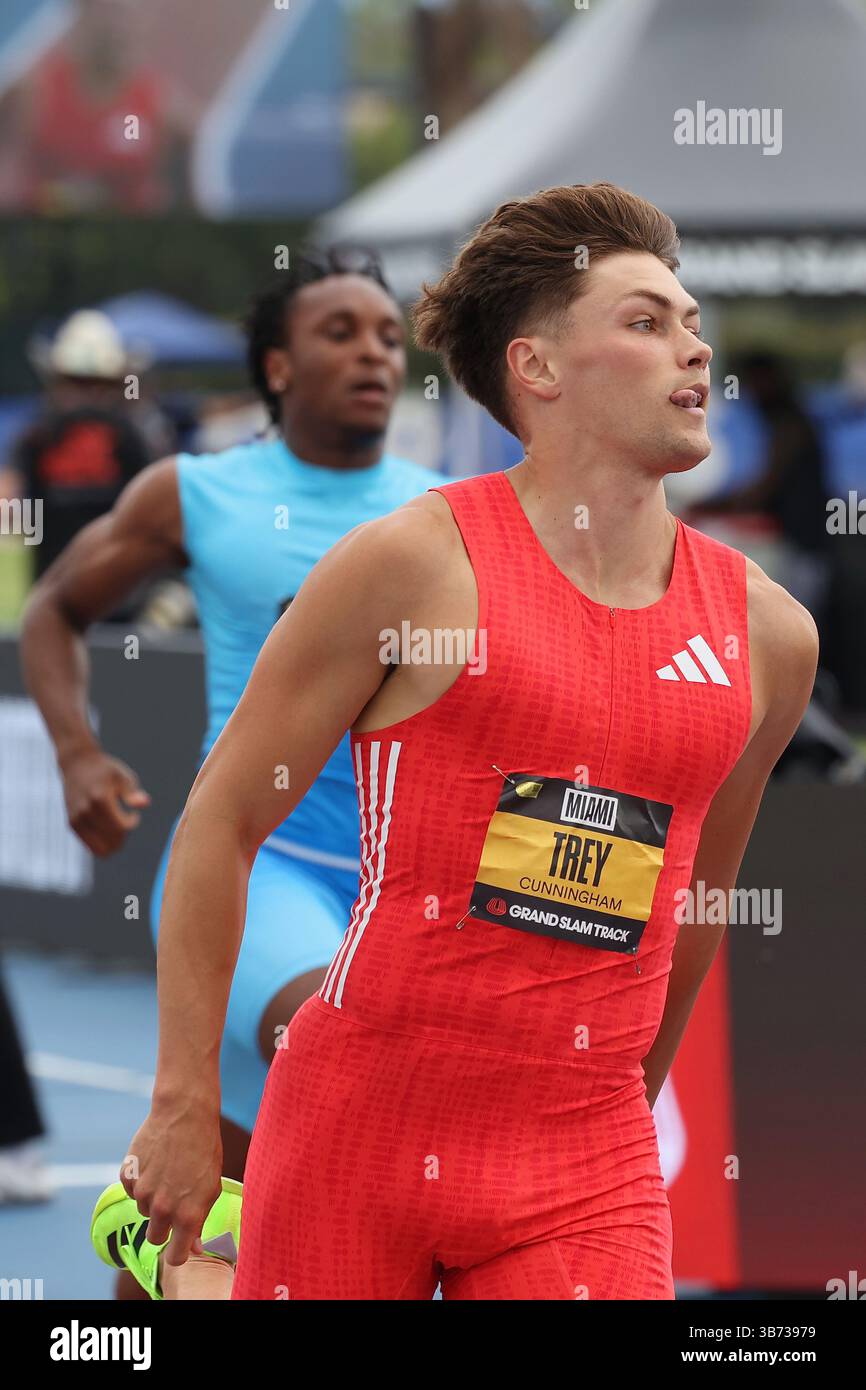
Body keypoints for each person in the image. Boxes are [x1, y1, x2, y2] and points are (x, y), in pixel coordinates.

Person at [110, 183, 817, 1301]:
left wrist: (621, 1123)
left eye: (689, 321)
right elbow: (220, 820)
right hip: (357, 1127)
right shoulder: (409, 565)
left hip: (582, 1155)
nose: (693, 348)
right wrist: (185, 1102)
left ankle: (203, 1275)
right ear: (534, 367)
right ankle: (198, 1272)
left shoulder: (768, 635)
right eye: (644, 321)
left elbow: (693, 906)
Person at [20, 247, 446, 1299]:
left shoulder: (452, 509)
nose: (372, 354)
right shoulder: (196, 491)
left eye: (388, 336)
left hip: (402, 887)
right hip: (257, 871)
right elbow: (54, 612)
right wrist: (78, 752)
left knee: (222, 1178)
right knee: (345, 1057)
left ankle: (148, 1262)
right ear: (272, 367)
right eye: (338, 334)